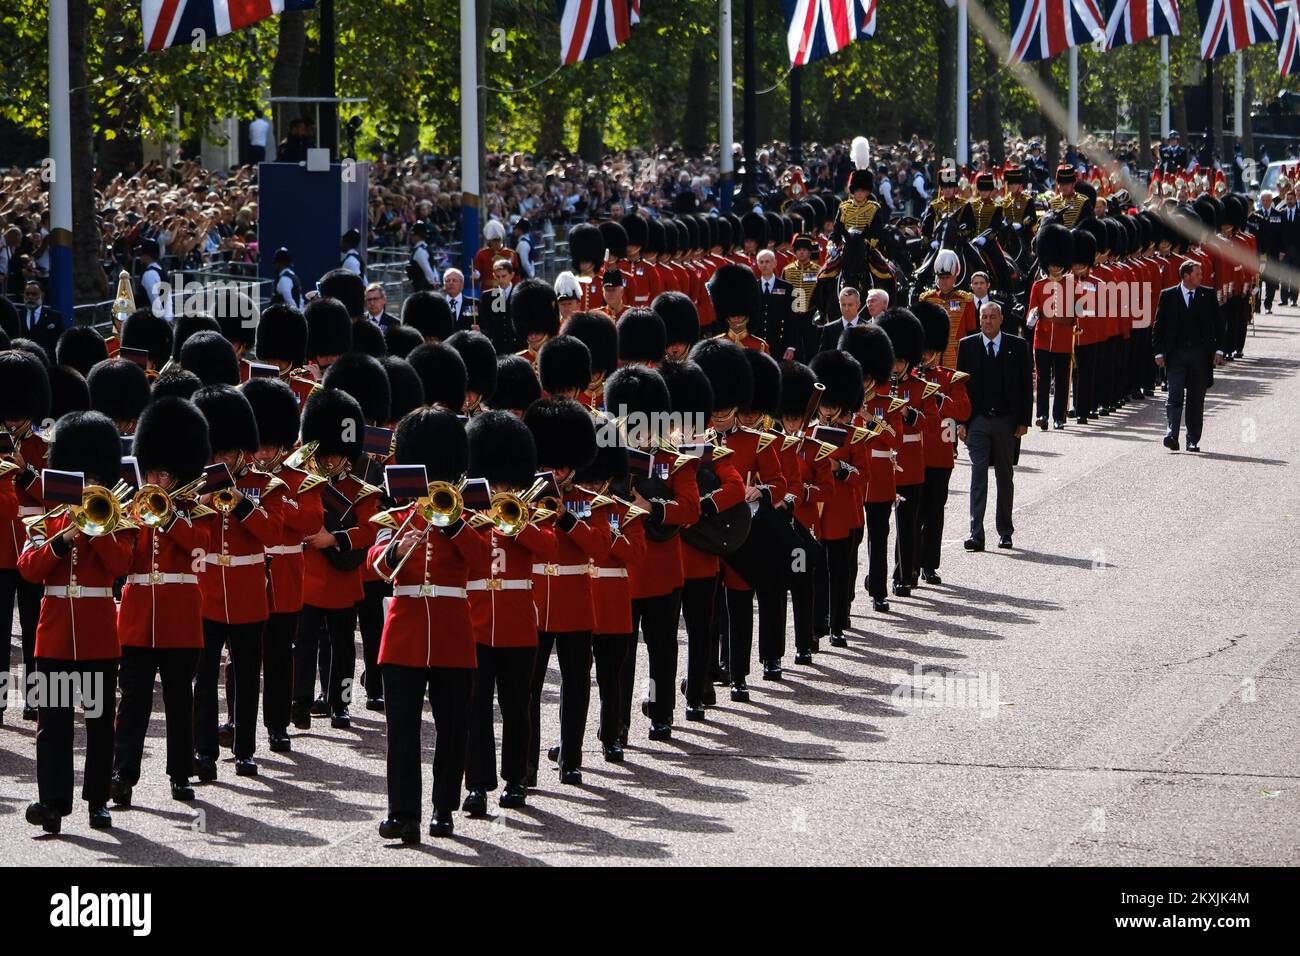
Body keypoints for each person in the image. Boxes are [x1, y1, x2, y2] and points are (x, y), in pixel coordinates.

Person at [369, 409, 487, 842]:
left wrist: (453, 523)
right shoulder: (397, 514)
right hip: (404, 632)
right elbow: (377, 565)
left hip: (454, 631)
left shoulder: (470, 515)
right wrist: (399, 545)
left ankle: (443, 808)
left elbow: (481, 560)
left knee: (452, 727)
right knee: (400, 729)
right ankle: (402, 812)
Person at [20, 411, 135, 834]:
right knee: (52, 724)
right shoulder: (47, 522)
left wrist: (95, 529)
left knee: (100, 723)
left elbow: (121, 564)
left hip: (97, 635)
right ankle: (52, 802)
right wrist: (64, 536)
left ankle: (97, 801)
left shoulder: (116, 521)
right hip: (53, 636)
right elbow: (29, 569)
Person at [111, 397, 211, 807]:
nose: (154, 479)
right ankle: (122, 773)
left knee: (177, 698)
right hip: (137, 617)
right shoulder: (131, 509)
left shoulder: (196, 510)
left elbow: (200, 550)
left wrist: (169, 519)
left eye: (162, 473)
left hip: (178, 617)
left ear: (179, 474)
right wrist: (128, 523)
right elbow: (119, 562)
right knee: (133, 698)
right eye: (149, 471)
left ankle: (180, 773)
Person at [956, 301, 1031, 552]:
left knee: (1004, 475)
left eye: (992, 317)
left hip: (1005, 420)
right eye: (984, 317)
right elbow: (960, 388)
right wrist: (961, 422)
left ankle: (1005, 531)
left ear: (1001, 319)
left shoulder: (1017, 346)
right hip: (977, 420)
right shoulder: (967, 346)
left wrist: (1023, 421)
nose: (987, 321)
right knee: (978, 475)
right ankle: (976, 532)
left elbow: (1024, 385)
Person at [1152, 260, 1224, 453]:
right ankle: (1172, 434)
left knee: (1196, 399)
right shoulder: (1168, 295)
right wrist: (1159, 351)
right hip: (1176, 354)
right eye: (1198, 274)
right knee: (1174, 396)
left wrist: (1219, 349)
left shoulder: (1207, 295)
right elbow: (1158, 325)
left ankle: (1192, 439)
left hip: (1200, 355)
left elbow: (1219, 323)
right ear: (1186, 276)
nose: (1202, 277)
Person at [17, 279, 66, 357]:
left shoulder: (54, 317)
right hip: (23, 363)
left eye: (34, 294)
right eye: (27, 294)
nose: (30, 297)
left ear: (42, 295)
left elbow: (61, 342)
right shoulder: (18, 316)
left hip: (47, 363)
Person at [407, 222, 439, 292]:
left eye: (412, 234)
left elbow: (427, 269)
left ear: (417, 235)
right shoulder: (425, 247)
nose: (411, 237)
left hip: (423, 289)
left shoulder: (420, 250)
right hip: (424, 287)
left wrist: (434, 283)